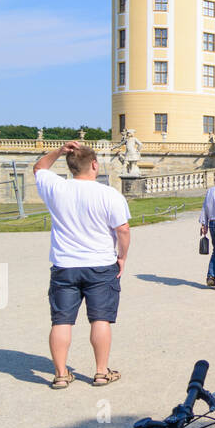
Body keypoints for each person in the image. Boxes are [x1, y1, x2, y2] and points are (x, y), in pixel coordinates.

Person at [32, 140, 131, 389]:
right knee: (100, 319)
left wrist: (58, 151)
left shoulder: (56, 187)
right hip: (100, 264)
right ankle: (100, 372)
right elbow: (123, 229)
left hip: (65, 265)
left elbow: (39, 168)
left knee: (61, 321)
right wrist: (122, 256)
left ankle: (61, 374)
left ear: (71, 166)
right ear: (94, 165)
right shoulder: (109, 194)